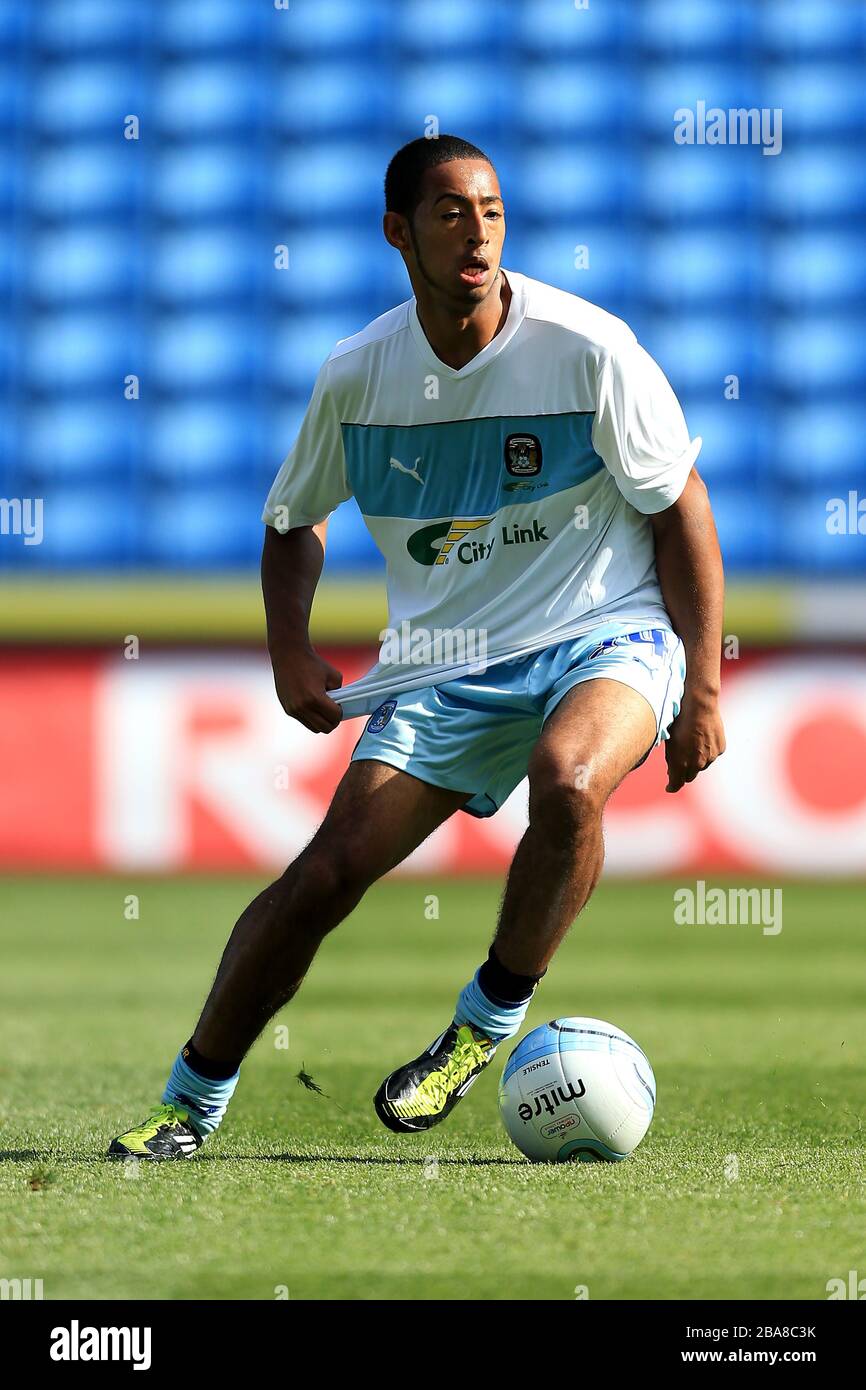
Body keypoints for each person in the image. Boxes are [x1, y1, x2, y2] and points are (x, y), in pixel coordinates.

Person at [109, 135, 725, 1160]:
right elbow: (291, 520)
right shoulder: (359, 376)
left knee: (567, 781)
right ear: (397, 232)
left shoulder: (588, 346)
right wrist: (289, 654)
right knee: (325, 874)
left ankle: (479, 1029)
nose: (475, 230)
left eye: (488, 208)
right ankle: (187, 1104)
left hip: (601, 626)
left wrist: (700, 686)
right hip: (445, 660)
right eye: (447, 212)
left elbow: (678, 506)